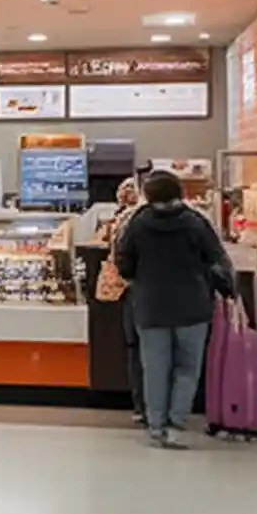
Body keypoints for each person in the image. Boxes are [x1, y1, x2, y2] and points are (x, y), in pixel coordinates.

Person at [115, 170, 234, 449]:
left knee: (155, 368)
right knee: (187, 368)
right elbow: (217, 259)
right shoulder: (196, 223)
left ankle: (155, 426)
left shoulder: (137, 223)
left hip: (150, 305)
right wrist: (225, 287)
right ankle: (175, 424)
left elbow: (123, 261)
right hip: (192, 306)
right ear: (179, 192)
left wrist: (138, 280)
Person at [95, 177, 145, 424]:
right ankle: (167, 410)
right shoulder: (135, 218)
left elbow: (119, 256)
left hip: (130, 290)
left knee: (136, 348)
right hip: (160, 293)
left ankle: (143, 406)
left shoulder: (122, 220)